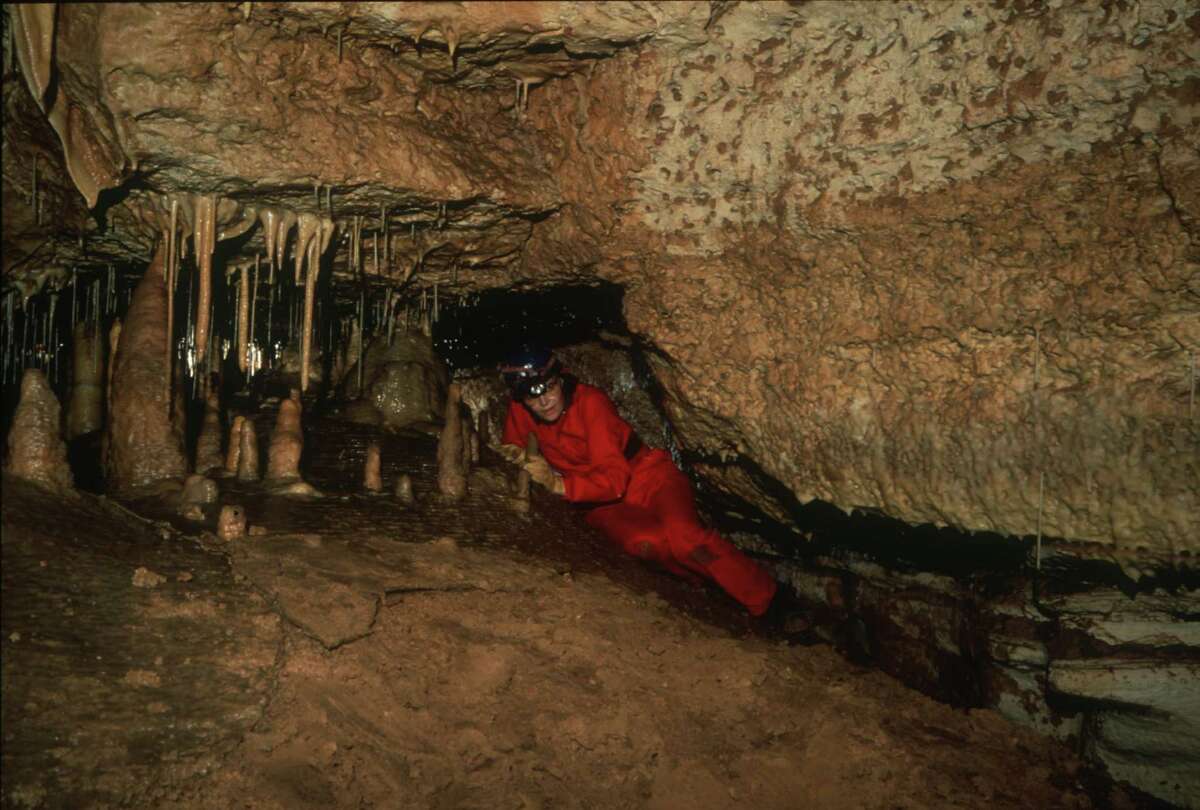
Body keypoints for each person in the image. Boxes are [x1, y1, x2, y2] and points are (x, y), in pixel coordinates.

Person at [498, 345, 779, 617]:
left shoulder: (590, 404)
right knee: (646, 543)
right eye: (532, 396)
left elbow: (614, 478)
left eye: (548, 388)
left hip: (648, 476)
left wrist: (559, 485)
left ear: (560, 378)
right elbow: (513, 442)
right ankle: (706, 586)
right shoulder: (522, 410)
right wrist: (513, 455)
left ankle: (770, 600)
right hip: (602, 504)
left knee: (684, 536)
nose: (543, 401)